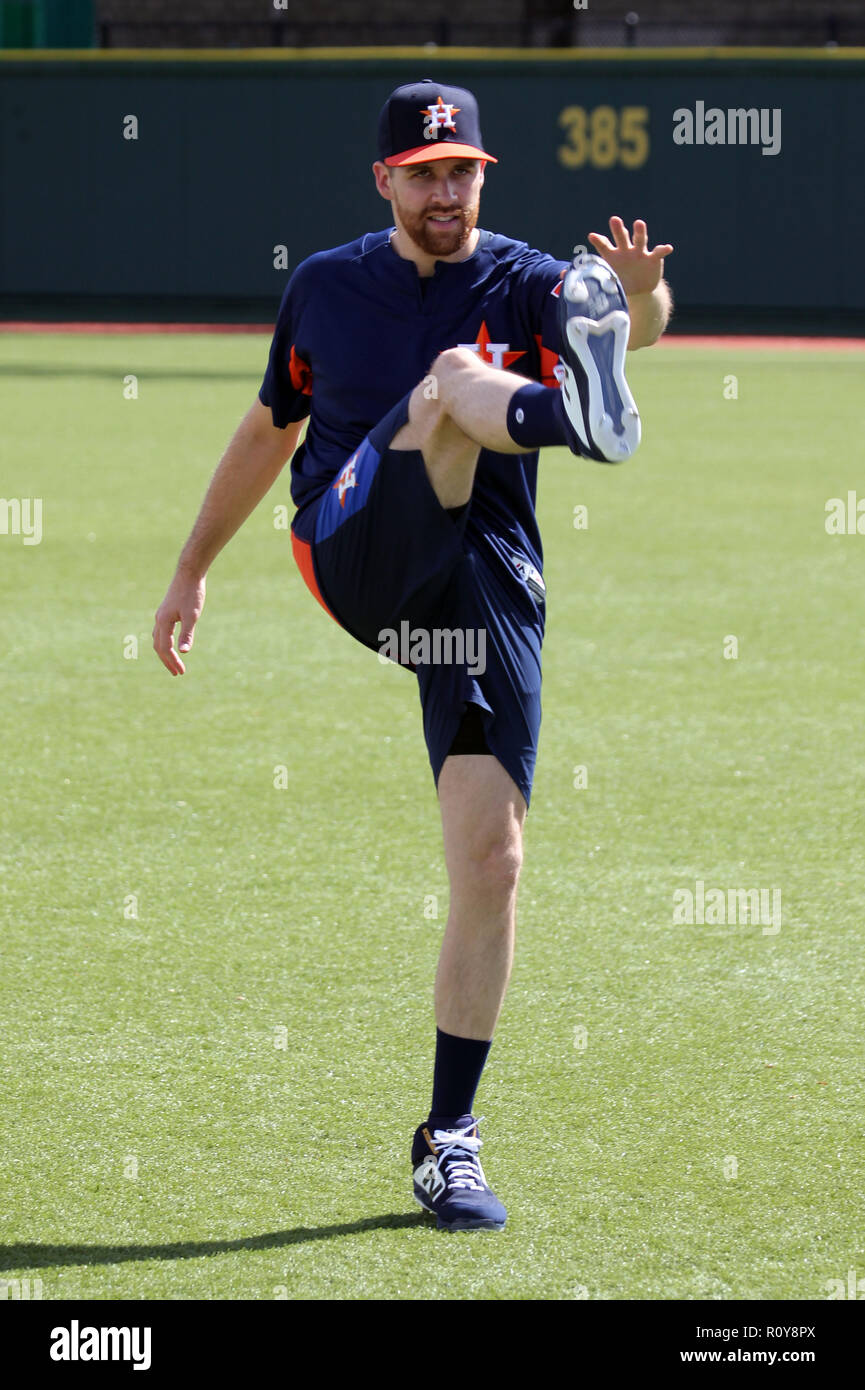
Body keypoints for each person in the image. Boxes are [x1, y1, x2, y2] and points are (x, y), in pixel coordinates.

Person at [153, 79, 673, 1232]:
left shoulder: (528, 277)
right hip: (352, 542)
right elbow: (267, 427)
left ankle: (448, 1140)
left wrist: (638, 304)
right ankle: (568, 419)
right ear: (386, 180)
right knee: (445, 382)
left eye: (466, 172)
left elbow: (628, 321)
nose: (448, 190)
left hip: (476, 580)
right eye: (427, 172)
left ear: (484, 177)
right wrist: (191, 567)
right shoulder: (325, 287)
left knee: (491, 862)